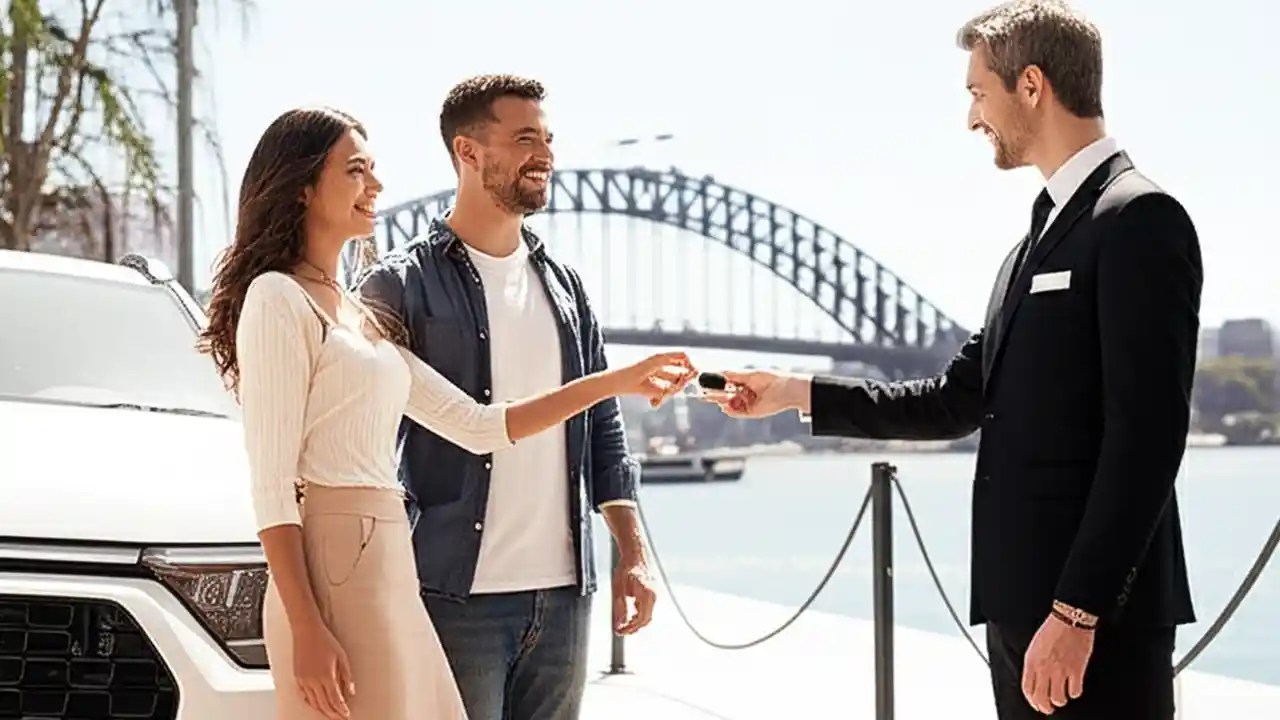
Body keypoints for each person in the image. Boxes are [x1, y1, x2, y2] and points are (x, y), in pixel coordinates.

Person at [701, 2, 1201, 718]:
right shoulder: (1035, 240)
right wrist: (791, 390)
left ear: (1031, 85)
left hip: (1093, 626)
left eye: (977, 92)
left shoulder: (1139, 219)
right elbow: (956, 399)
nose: (972, 117)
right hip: (1023, 611)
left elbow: (1147, 438)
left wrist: (1078, 612)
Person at [197, 106, 694, 720]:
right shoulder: (277, 298)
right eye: (356, 171)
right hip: (334, 564)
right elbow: (271, 489)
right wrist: (306, 626)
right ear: (302, 188)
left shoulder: (357, 312)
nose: (376, 186)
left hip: (388, 565)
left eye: (374, 170)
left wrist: (617, 381)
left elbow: (480, 425)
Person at [354, 74, 657, 720]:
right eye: (525, 139)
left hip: (565, 600)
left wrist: (634, 552)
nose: (545, 154)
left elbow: (603, 425)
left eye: (547, 138)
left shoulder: (565, 287)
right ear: (468, 152)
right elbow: (350, 425)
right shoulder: (398, 285)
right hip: (452, 598)